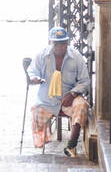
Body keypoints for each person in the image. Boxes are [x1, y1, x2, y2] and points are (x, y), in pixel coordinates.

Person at [28, 27, 91, 158]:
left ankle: (71, 145)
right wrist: (35, 79)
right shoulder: (42, 55)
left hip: (69, 96)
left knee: (82, 106)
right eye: (56, 44)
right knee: (35, 110)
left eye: (63, 43)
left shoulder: (76, 57)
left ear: (67, 43)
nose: (60, 47)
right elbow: (32, 71)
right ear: (51, 43)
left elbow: (85, 81)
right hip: (47, 99)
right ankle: (42, 142)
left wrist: (73, 93)